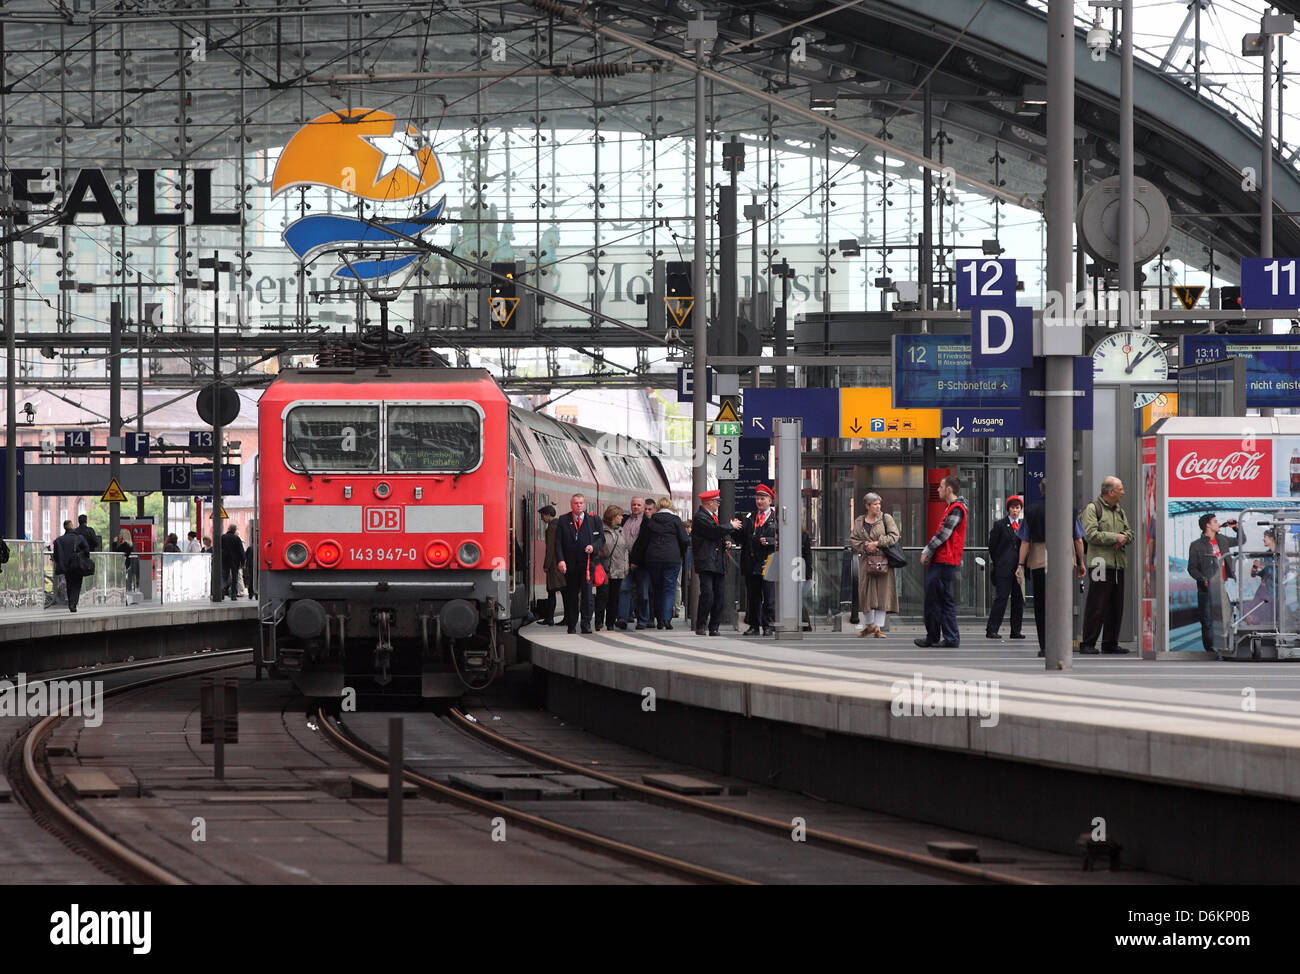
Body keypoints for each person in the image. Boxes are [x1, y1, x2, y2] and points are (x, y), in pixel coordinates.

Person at [1019, 477, 1086, 658]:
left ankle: (1044, 646)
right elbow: (1078, 539)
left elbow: (1025, 541)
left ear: (1041, 491)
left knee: (1041, 605)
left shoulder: (1031, 511)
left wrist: (1020, 565)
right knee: (1062, 603)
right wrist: (1081, 562)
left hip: (1039, 560)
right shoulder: (1070, 511)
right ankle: (1060, 644)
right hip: (1063, 560)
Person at [1079, 476, 1133, 655]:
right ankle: (1088, 642)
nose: (1123, 492)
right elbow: (1090, 534)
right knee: (1097, 603)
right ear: (1110, 492)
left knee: (1116, 604)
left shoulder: (1120, 511)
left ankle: (1110, 642)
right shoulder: (1093, 509)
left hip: (1118, 563)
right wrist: (1115, 538)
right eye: (1120, 489)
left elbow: (1129, 532)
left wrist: (1124, 538)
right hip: (1099, 562)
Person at [915, 474, 968, 648]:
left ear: (949, 489)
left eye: (940, 486)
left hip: (944, 560)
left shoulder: (956, 509)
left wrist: (927, 550)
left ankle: (945, 637)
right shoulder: (953, 508)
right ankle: (941, 637)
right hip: (945, 560)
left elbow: (944, 534)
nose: (938, 489)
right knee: (940, 599)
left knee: (939, 600)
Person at [630, 497, 688, 629]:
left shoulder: (651, 521)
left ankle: (659, 619)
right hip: (672, 559)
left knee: (657, 589)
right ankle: (666, 619)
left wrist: (636, 560)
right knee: (669, 588)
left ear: (658, 508)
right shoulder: (676, 520)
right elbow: (685, 540)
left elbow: (642, 542)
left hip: (653, 559)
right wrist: (679, 553)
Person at [1186, 513, 1239, 655]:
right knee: (1207, 620)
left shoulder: (1223, 540)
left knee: (1226, 618)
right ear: (1208, 525)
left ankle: (1225, 647)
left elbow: (1242, 540)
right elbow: (1191, 568)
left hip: (1224, 586)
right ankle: (1210, 650)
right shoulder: (1196, 545)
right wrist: (1203, 579)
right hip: (1206, 588)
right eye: (1215, 521)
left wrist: (1236, 528)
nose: (1218, 523)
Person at [848, 492, 899, 638]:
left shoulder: (886, 518)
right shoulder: (859, 521)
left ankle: (878, 627)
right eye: (875, 504)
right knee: (865, 592)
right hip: (866, 561)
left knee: (883, 592)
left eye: (879, 504)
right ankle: (870, 625)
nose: (878, 507)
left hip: (883, 560)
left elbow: (894, 536)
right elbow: (854, 538)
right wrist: (866, 546)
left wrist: (877, 543)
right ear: (867, 506)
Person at [553, 493, 605, 634]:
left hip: (588, 563)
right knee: (571, 594)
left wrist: (593, 547)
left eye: (581, 503)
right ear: (571, 504)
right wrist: (560, 560)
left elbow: (601, 539)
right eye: (576, 503)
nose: (578, 505)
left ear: (585, 504)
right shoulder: (564, 520)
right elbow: (558, 543)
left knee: (587, 594)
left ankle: (586, 623)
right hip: (570, 564)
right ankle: (571, 624)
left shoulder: (593, 520)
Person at [692, 489, 741, 637]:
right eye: (716, 502)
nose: (718, 505)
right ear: (709, 502)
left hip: (717, 562)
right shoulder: (701, 517)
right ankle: (701, 625)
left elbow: (715, 535)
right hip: (707, 562)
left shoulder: (712, 517)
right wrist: (730, 526)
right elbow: (712, 531)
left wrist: (725, 541)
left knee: (719, 595)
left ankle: (714, 626)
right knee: (708, 594)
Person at [732, 484, 778, 635]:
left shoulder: (775, 518)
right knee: (753, 597)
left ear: (770, 500)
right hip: (751, 563)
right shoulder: (750, 518)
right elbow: (741, 539)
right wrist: (734, 529)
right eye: (757, 498)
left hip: (769, 563)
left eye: (763, 498)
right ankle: (754, 625)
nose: (759, 501)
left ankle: (768, 625)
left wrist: (771, 541)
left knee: (769, 597)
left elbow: (786, 538)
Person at [985, 495, 1028, 641]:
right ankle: (992, 629)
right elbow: (993, 546)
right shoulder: (1000, 525)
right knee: (1001, 598)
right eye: (1012, 508)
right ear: (1008, 509)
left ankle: (1016, 630)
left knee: (1018, 600)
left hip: (1020, 568)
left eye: (1017, 508)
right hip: (1004, 568)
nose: (1015, 511)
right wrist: (998, 561)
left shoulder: (1023, 525)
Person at [619, 497, 651, 629]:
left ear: (643, 507)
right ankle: (622, 618)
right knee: (624, 589)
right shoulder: (624, 520)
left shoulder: (647, 523)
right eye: (633, 505)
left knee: (642, 593)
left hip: (642, 564)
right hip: (625, 561)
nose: (636, 507)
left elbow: (645, 544)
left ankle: (643, 620)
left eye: (639, 505)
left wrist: (636, 561)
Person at [593, 505, 626, 632]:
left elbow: (625, 550)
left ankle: (610, 623)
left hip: (618, 569)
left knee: (614, 598)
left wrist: (625, 566)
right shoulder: (601, 530)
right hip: (604, 569)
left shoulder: (621, 531)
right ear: (613, 516)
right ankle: (599, 621)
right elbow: (597, 548)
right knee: (602, 596)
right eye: (620, 515)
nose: (622, 517)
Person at [1242, 528, 1280, 630]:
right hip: (1263, 590)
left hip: (1272, 593)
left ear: (1271, 539)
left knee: (1251, 611)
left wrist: (1264, 567)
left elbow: (1279, 576)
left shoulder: (1281, 555)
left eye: (1265, 538)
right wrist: (1255, 569)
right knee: (1245, 609)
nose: (1263, 540)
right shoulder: (1267, 555)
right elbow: (1263, 574)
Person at [53, 520, 90, 613]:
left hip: (66, 567)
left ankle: (70, 602)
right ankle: (73, 603)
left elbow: (56, 555)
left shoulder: (59, 540)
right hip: (77, 565)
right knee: (77, 585)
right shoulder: (79, 538)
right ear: (72, 526)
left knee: (69, 584)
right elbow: (87, 550)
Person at [538, 504, 561, 625]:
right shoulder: (559, 525)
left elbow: (550, 548)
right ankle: (559, 618)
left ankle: (550, 618)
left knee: (551, 591)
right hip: (559, 562)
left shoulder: (552, 527)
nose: (542, 519)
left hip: (554, 564)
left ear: (548, 515)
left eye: (542, 516)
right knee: (562, 591)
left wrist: (546, 564)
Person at [220, 524, 245, 600]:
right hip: (235, 561)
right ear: (234, 530)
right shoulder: (237, 538)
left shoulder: (223, 537)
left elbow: (219, 548)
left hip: (224, 560)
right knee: (235, 578)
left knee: (224, 577)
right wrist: (243, 562)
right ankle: (233, 595)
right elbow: (241, 552)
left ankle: (222, 589)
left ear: (228, 529)